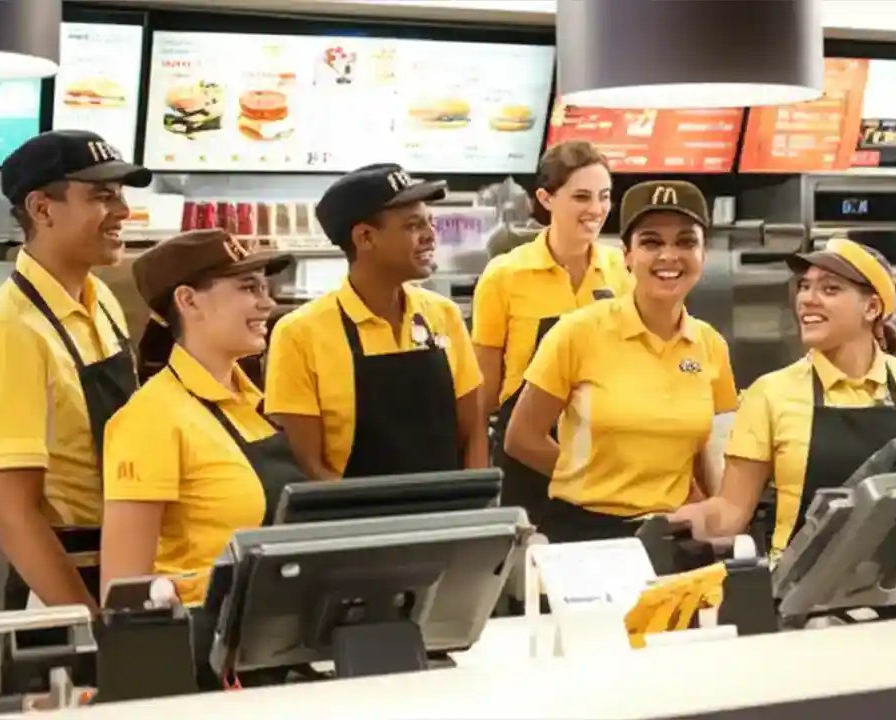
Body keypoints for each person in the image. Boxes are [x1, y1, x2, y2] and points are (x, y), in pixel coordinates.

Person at [0, 130, 151, 611]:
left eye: (121, 195)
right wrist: (88, 624)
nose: (123, 211)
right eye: (103, 196)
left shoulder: (99, 297)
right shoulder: (9, 332)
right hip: (67, 581)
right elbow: (13, 514)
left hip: (125, 563)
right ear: (42, 209)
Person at [672, 238, 896, 555]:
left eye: (829, 289)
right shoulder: (770, 393)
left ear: (872, 308)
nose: (807, 299)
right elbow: (731, 511)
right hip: (797, 589)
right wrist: (673, 521)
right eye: (804, 286)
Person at [504, 180, 738, 542]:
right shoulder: (577, 332)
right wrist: (591, 480)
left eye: (686, 241)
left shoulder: (711, 345)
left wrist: (717, 517)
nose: (669, 255)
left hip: (673, 535)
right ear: (626, 254)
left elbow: (709, 457)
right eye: (651, 242)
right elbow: (521, 438)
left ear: (704, 254)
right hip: (585, 532)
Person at [99, 229, 306, 605]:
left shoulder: (254, 403)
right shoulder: (151, 420)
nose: (267, 304)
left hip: (271, 632)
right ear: (188, 301)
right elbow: (124, 593)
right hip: (199, 643)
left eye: (265, 288)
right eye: (248, 288)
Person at [264, 164, 485, 478]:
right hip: (354, 518)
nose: (430, 236)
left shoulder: (444, 314)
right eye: (413, 226)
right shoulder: (299, 334)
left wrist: (475, 505)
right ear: (365, 237)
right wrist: (367, 519)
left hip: (447, 514)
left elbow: (473, 431)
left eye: (430, 223)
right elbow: (308, 465)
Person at [473, 141, 632, 524]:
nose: (596, 209)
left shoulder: (623, 269)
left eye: (604, 196)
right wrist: (478, 479)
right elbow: (484, 393)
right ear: (546, 198)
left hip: (605, 453)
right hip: (526, 456)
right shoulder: (505, 275)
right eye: (581, 197)